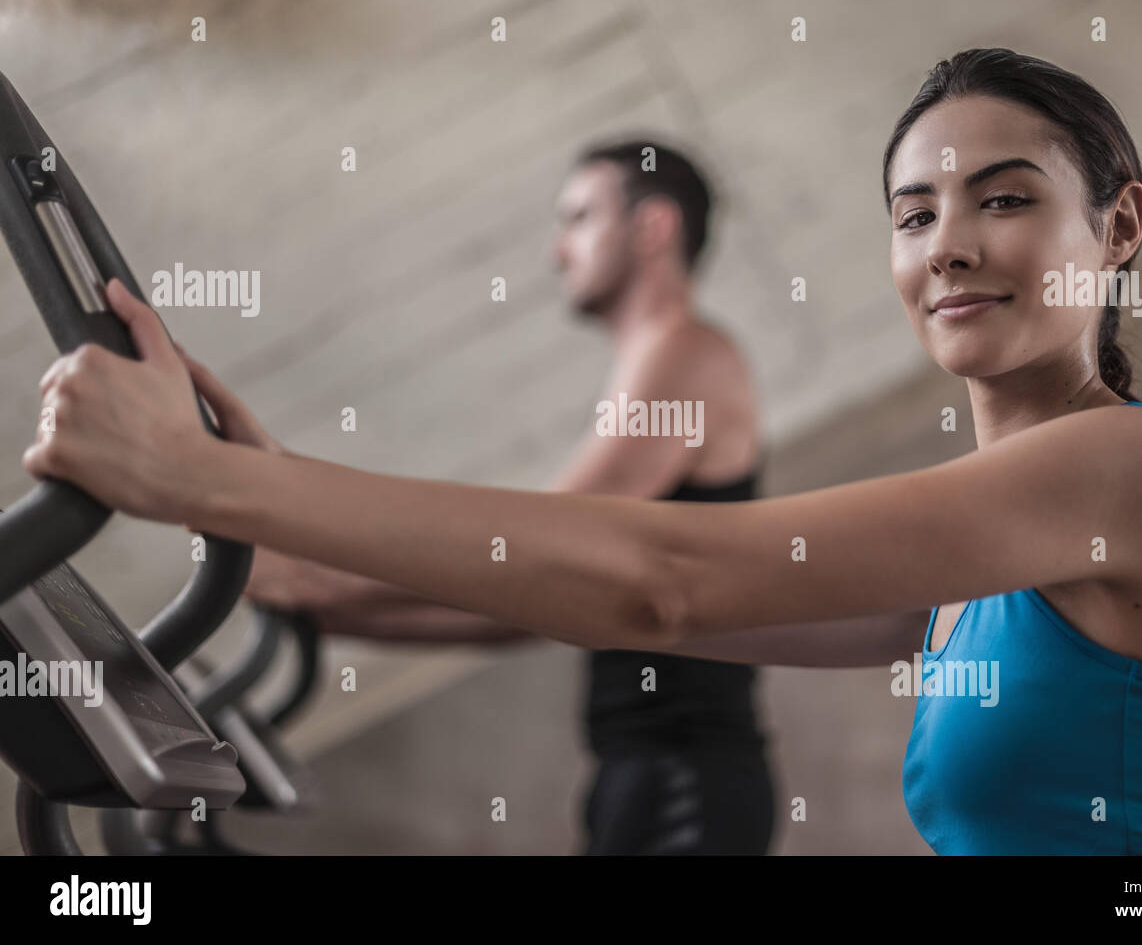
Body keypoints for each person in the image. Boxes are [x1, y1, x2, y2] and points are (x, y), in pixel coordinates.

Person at [26, 48, 1142, 854]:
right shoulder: (989, 549)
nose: (947, 245)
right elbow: (641, 612)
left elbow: (660, 576)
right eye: (915, 214)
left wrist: (218, 482)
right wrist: (282, 507)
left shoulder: (1135, 471)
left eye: (1003, 198)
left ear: (1119, 223)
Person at [238, 139, 778, 855]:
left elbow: (534, 551)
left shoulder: (689, 354)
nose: (558, 252)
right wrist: (328, 611)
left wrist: (313, 570)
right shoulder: (658, 364)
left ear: (654, 228)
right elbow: (525, 608)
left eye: (580, 217)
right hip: (645, 773)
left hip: (683, 780)